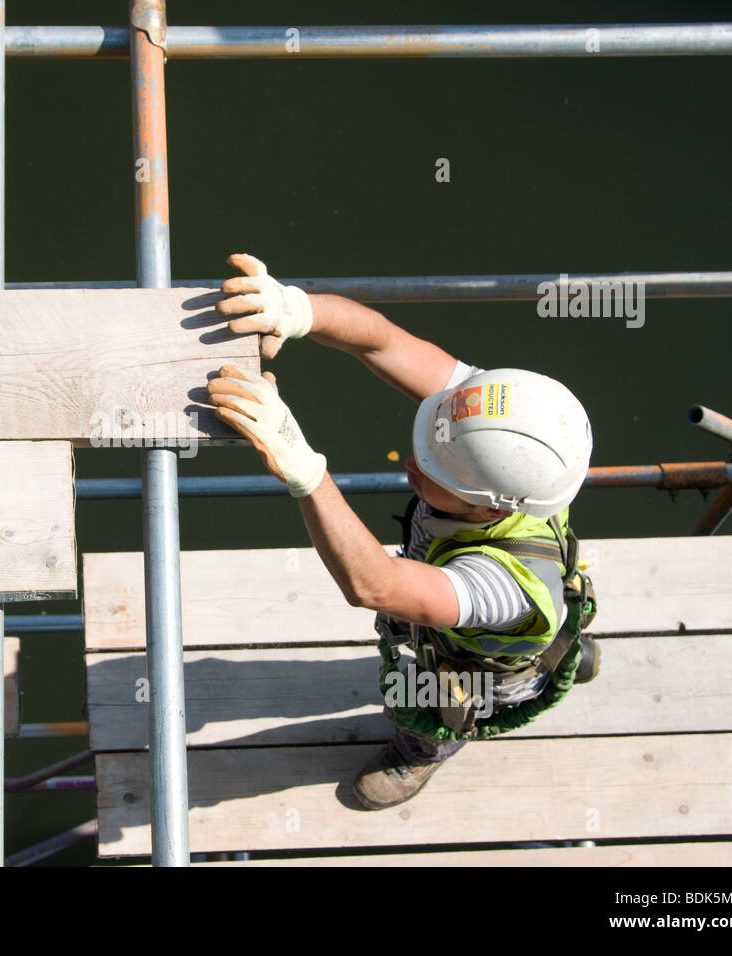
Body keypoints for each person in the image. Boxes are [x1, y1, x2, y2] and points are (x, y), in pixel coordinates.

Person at [205, 253, 598, 810]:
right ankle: (563, 655)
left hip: (470, 669)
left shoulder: (507, 586)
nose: (414, 464)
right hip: (517, 621)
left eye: (434, 474)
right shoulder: (500, 432)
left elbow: (377, 586)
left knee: (434, 709)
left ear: (488, 511)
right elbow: (381, 342)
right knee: (542, 643)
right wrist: (298, 310)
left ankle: (420, 755)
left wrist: (302, 466)